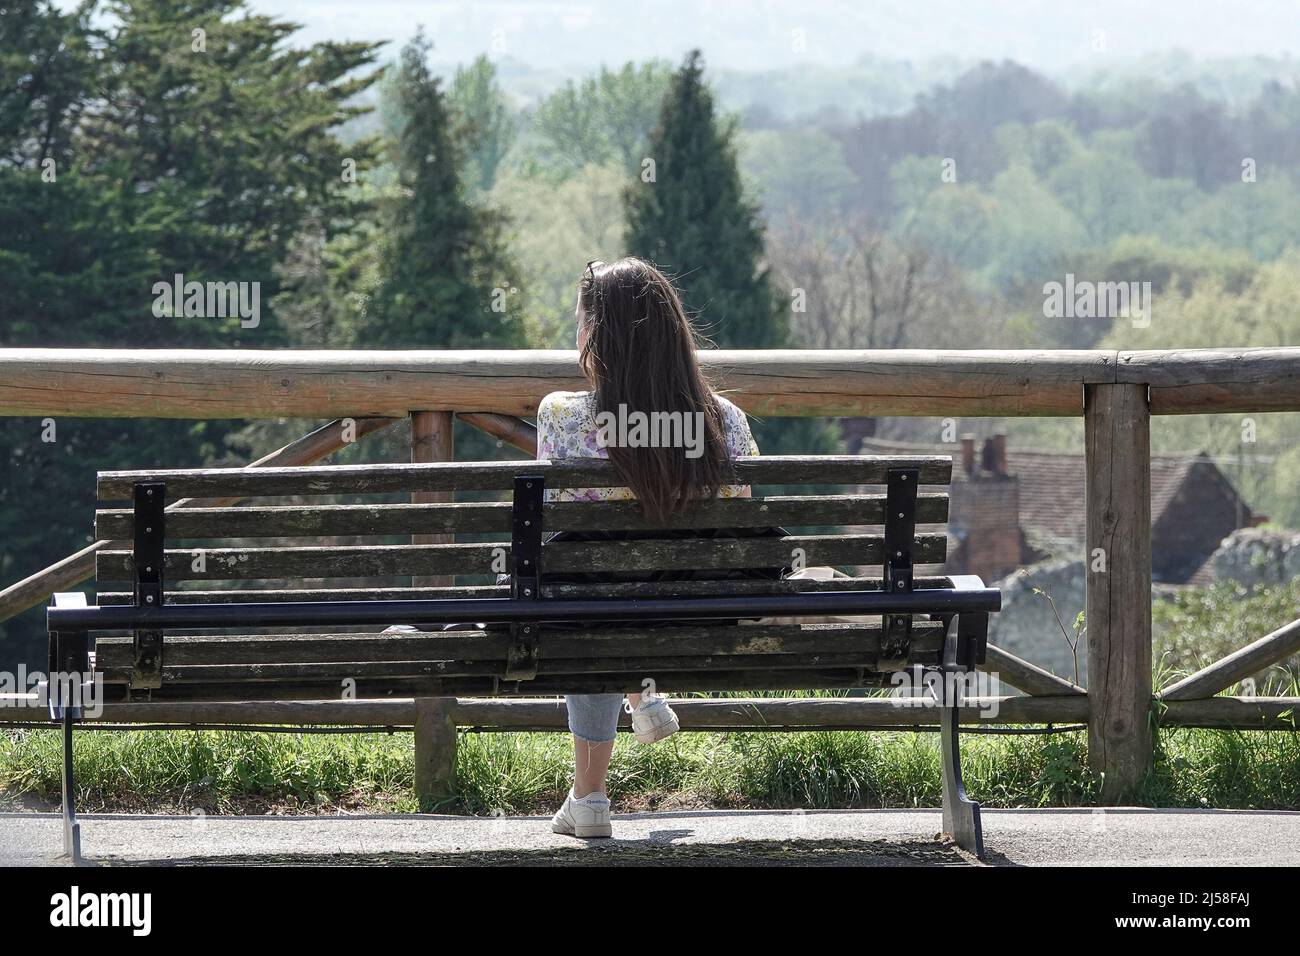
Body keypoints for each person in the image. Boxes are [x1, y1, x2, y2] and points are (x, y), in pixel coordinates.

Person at [541, 257, 759, 838]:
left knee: (583, 593)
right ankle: (642, 692)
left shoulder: (561, 417)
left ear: (595, 334)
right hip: (698, 617)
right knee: (610, 586)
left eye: (580, 320)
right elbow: (743, 522)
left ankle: (590, 798)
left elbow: (556, 530)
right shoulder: (728, 423)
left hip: (593, 612)